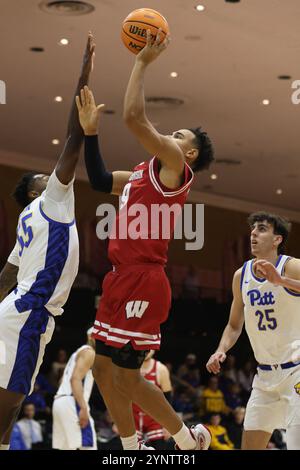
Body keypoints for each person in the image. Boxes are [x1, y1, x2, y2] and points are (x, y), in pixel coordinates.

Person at [77, 29, 214, 451]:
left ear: (187, 154)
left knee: (127, 377)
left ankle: (187, 440)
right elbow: (100, 180)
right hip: (120, 277)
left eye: (180, 136)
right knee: (102, 370)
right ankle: (131, 447)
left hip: (144, 279)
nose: (172, 137)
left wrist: (141, 61)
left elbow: (135, 119)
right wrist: (91, 134)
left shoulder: (175, 167)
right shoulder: (141, 172)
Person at [0, 33, 96, 450]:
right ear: (40, 190)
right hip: (29, 314)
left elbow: (6, 274)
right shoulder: (52, 201)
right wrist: (84, 73)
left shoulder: (26, 218)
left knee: (10, 405)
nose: (56, 176)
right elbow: (73, 139)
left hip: (14, 310)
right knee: (9, 404)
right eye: (47, 177)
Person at [206, 211, 300, 450]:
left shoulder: (290, 267)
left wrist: (282, 282)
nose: (253, 234)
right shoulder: (241, 275)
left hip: (296, 373)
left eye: (261, 229)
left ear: (277, 239)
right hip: (265, 377)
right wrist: (221, 350)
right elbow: (234, 325)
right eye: (252, 229)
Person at [52, 329, 97, 450]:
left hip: (60, 401)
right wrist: (83, 408)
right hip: (73, 403)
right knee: (87, 447)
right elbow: (75, 379)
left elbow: (62, 381)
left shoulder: (76, 353)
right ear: (92, 337)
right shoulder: (89, 352)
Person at [132, 351, 172, 449]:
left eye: (149, 346)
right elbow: (120, 394)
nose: (146, 350)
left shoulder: (161, 369)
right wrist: (116, 421)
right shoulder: (129, 367)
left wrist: (168, 425)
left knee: (159, 447)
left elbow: (168, 400)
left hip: (154, 418)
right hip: (133, 416)